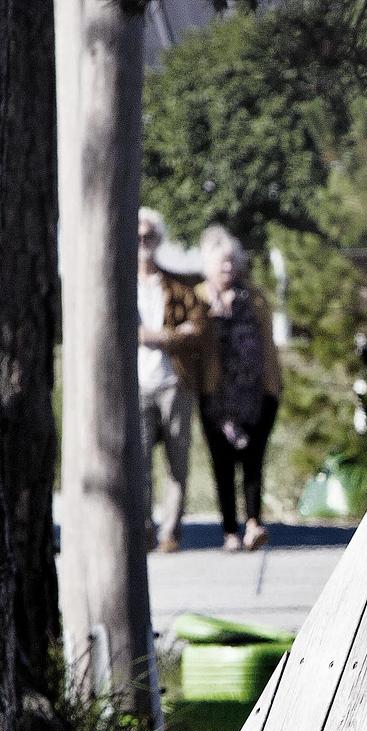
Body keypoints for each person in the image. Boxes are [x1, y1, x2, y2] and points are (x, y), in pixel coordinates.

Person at [196, 225, 282, 551]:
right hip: (216, 395)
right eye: (221, 262)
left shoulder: (254, 297)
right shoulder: (198, 298)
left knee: (254, 459)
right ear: (208, 265)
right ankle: (230, 530)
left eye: (232, 261)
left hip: (255, 393)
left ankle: (254, 523)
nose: (227, 267)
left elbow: (269, 343)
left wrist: (274, 386)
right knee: (222, 463)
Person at [136, 209, 207, 554]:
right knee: (139, 462)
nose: (143, 242)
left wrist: (155, 337)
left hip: (174, 382)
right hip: (137, 385)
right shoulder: (122, 286)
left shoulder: (178, 286)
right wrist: (172, 334)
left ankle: (170, 531)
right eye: (138, 236)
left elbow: (197, 329)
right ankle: (144, 528)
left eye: (149, 236)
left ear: (159, 239)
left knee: (177, 461)